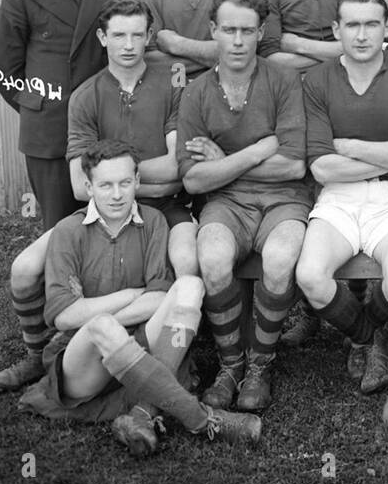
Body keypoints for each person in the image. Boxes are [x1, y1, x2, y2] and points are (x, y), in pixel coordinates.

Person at [0, 0, 197, 392]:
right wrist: (125, 183)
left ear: (149, 35)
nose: (129, 45)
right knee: (24, 268)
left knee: (186, 265)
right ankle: (36, 354)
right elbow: (80, 188)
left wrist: (112, 176)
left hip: (167, 206)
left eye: (137, 34)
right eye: (118, 35)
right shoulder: (85, 95)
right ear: (102, 37)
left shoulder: (173, 80)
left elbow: (177, 171)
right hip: (101, 211)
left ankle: (178, 354)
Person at [18, 139, 262, 455]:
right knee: (101, 327)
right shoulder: (68, 231)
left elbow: (160, 298)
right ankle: (203, 420)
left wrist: (94, 312)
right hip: (82, 360)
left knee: (190, 287)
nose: (117, 194)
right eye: (105, 185)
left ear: (137, 181)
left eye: (124, 183)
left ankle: (142, 414)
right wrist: (130, 296)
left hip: (138, 344)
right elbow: (65, 317)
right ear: (89, 187)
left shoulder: (153, 222)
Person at [295, 0, 388, 395]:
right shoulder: (318, 79)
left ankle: (365, 336)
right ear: (337, 29)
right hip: (337, 195)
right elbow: (322, 165)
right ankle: (371, 337)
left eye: (371, 24)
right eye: (352, 25)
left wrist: (351, 146)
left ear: (387, 28)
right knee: (310, 275)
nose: (362, 35)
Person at [177, 0, 311, 412]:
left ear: (261, 33)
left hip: (284, 199)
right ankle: (230, 364)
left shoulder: (283, 80)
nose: (238, 40)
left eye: (247, 31)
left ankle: (260, 365)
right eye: (229, 30)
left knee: (279, 258)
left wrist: (225, 161)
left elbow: (292, 166)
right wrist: (256, 151)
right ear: (214, 31)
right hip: (226, 202)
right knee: (213, 259)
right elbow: (195, 179)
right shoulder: (196, 93)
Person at [257, 0, 363, 347]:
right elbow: (272, 57)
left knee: (347, 184)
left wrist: (298, 43)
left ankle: (356, 299)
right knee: (307, 188)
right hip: (296, 100)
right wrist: (333, 50)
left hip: (349, 95)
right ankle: (308, 306)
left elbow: (363, 47)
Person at [0, 0, 132, 233]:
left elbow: (130, 44)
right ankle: (59, 287)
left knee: (113, 224)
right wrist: (39, 106)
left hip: (106, 124)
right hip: (49, 135)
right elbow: (4, 72)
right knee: (61, 230)